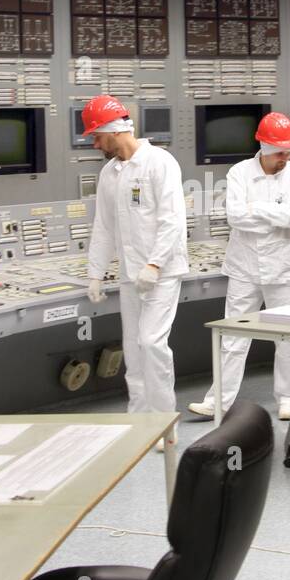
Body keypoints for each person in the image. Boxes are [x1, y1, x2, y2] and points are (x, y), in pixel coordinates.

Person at [189, 112, 290, 422]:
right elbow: (235, 217)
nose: (285, 157)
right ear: (263, 145)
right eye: (280, 151)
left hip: (286, 268)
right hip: (245, 267)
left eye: (289, 150)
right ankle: (219, 400)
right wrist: (275, 215)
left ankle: (289, 397)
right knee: (233, 335)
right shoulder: (239, 173)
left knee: (288, 337)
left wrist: (255, 208)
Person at [82, 95, 188, 449]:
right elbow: (104, 227)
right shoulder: (109, 173)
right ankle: (139, 421)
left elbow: (172, 219)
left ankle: (164, 424)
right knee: (133, 347)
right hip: (131, 274)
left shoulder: (160, 163)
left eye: (96, 137)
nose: (95, 144)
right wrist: (96, 272)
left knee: (152, 343)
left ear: (113, 130)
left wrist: (155, 264)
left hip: (162, 272)